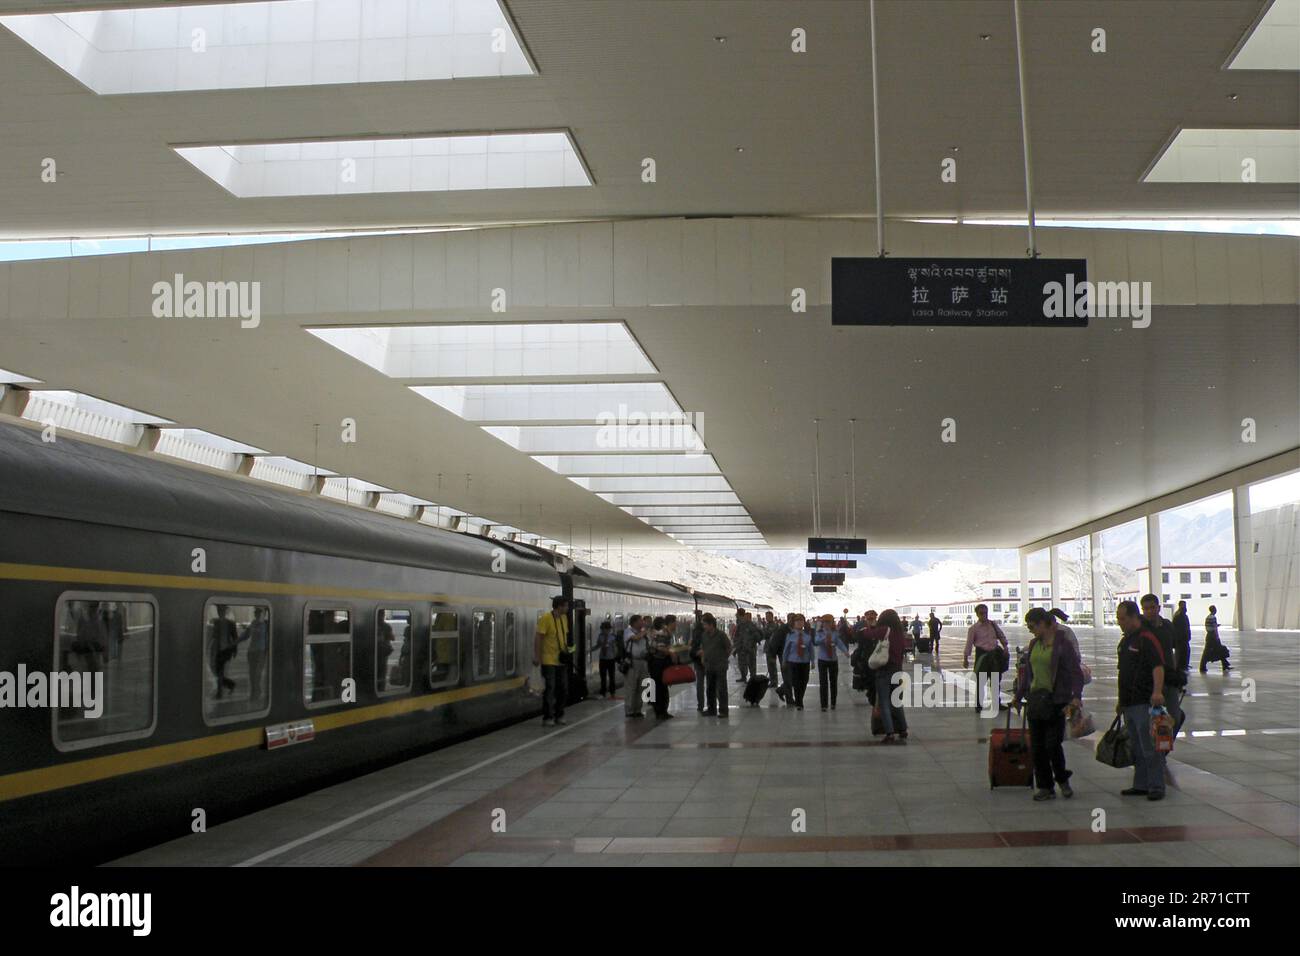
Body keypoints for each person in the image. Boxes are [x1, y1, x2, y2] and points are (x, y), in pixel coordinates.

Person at [1018, 608, 1085, 801]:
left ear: (1043, 624)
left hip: (1057, 701)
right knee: (1038, 747)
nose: (1030, 630)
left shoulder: (1062, 645)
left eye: (1032, 626)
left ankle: (1062, 779)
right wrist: (1020, 694)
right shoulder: (1033, 644)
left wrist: (1076, 696)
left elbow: (1075, 673)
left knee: (1052, 745)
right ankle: (1045, 787)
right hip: (1036, 701)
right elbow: (1029, 673)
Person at [1115, 600, 1168, 801]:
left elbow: (1158, 667)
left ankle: (1156, 785)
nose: (1119, 622)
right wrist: (1121, 701)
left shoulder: (1146, 639)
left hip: (1144, 701)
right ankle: (1141, 784)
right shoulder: (1126, 641)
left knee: (1150, 746)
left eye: (1122, 618)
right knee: (1136, 747)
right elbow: (1123, 673)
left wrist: (1157, 692)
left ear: (1133, 617)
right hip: (1129, 703)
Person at [1140, 594, 1184, 743]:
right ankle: (1156, 756)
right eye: (1146, 609)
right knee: (1154, 721)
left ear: (1158, 608)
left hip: (1169, 678)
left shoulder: (1167, 626)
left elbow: (1176, 648)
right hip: (1149, 680)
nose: (1149, 612)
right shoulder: (1141, 629)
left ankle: (1162, 750)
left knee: (1174, 718)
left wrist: (1177, 669)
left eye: (1152, 607)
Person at [962, 604, 1009, 712]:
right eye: (981, 613)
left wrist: (1005, 646)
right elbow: (969, 643)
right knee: (981, 681)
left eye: (985, 613)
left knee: (995, 681)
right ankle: (978, 705)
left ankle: (997, 703)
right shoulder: (973, 629)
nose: (984, 615)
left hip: (994, 655)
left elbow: (1001, 635)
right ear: (977, 614)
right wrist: (965, 658)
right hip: (982, 655)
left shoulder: (993, 624)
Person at [533, 595, 572, 727]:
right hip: (548, 660)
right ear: (559, 606)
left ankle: (559, 714)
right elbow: (539, 638)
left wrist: (568, 652)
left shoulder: (564, 618)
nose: (567, 608)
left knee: (563, 688)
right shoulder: (545, 619)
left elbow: (563, 636)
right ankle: (548, 716)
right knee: (550, 689)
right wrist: (537, 656)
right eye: (566, 606)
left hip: (561, 660)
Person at [875, 610, 909, 744]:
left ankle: (889, 733)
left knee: (884, 702)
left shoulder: (884, 631)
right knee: (896, 702)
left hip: (884, 670)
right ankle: (903, 729)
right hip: (897, 671)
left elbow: (866, 634)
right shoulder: (900, 634)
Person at [699, 613, 732, 717]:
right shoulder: (704, 635)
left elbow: (729, 648)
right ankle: (711, 709)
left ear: (711, 624)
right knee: (710, 689)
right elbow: (703, 648)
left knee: (721, 689)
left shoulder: (721, 635)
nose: (703, 627)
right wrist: (703, 658)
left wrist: (723, 658)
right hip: (709, 666)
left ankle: (723, 710)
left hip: (720, 666)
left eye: (705, 624)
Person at [814, 614, 849, 711]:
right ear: (823, 623)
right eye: (825, 622)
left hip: (833, 660)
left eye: (829, 622)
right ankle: (824, 705)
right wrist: (823, 639)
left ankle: (833, 703)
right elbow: (816, 641)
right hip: (822, 660)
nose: (827, 624)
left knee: (833, 682)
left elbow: (839, 643)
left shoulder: (835, 633)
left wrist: (845, 651)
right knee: (823, 682)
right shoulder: (820, 632)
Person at [782, 614, 814, 709]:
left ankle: (799, 698)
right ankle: (799, 702)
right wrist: (784, 661)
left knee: (804, 681)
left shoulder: (807, 636)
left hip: (805, 662)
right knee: (796, 683)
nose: (800, 623)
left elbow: (811, 649)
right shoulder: (790, 636)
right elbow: (786, 650)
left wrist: (813, 661)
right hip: (793, 661)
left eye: (801, 621)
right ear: (794, 623)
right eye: (797, 621)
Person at [209, 604, 239, 699]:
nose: (219, 612)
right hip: (218, 650)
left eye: (221, 610)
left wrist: (235, 650)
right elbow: (213, 636)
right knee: (216, 672)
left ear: (224, 612)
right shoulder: (216, 622)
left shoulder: (230, 623)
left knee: (219, 672)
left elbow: (235, 637)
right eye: (218, 610)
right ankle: (230, 685)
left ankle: (219, 693)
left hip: (225, 651)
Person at [622, 620, 651, 719]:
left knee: (642, 686)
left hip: (643, 662)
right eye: (640, 621)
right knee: (631, 686)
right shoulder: (628, 631)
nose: (643, 622)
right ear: (634, 622)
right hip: (632, 662)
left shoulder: (643, 632)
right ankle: (629, 710)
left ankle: (638, 709)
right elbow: (635, 638)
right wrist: (645, 631)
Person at [648, 616, 675, 719]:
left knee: (656, 687)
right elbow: (660, 647)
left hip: (654, 663)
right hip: (660, 662)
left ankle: (658, 710)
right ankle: (662, 711)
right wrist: (671, 653)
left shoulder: (653, 633)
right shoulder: (662, 633)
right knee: (662, 687)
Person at [241, 606, 269, 701]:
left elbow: (267, 638)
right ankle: (254, 692)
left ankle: (256, 692)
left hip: (260, 652)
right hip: (252, 652)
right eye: (255, 613)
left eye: (258, 612)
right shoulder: (253, 623)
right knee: (252, 674)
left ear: (263, 614)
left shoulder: (266, 624)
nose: (256, 614)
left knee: (257, 674)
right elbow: (246, 635)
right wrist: (234, 643)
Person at [766, 613, 792, 701]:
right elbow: (775, 642)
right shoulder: (782, 629)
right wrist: (773, 655)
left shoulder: (795, 629)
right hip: (783, 656)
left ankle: (781, 690)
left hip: (793, 656)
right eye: (791, 619)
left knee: (792, 677)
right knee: (787, 677)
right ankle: (789, 699)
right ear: (788, 619)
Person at [1200, 605, 1231, 673]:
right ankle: (1202, 667)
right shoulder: (1213, 617)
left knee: (1217, 650)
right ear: (1214, 610)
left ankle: (1225, 665)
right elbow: (1213, 628)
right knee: (1217, 650)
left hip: (1209, 636)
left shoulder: (1208, 617)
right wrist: (1216, 636)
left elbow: (1209, 626)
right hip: (1213, 637)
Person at [595, 620, 619, 698]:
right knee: (603, 676)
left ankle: (612, 692)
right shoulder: (600, 636)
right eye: (602, 629)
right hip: (602, 658)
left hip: (610, 659)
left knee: (612, 676)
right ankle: (603, 692)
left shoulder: (613, 637)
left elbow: (615, 648)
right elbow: (598, 645)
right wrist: (590, 650)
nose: (603, 630)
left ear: (608, 629)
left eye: (605, 629)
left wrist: (615, 655)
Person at [734, 611, 759, 684]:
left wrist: (752, 643)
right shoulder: (741, 626)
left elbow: (758, 636)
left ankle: (753, 678)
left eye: (747, 617)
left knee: (752, 664)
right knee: (742, 664)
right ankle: (743, 677)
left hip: (751, 648)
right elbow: (736, 635)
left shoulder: (753, 626)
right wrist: (737, 644)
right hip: (742, 648)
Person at [690, 611, 707, 712]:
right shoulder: (709, 632)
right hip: (707, 660)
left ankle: (700, 705)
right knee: (711, 683)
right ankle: (712, 704)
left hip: (698, 661)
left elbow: (692, 645)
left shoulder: (695, 630)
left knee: (700, 684)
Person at [1171, 601, 1192, 679]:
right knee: (1180, 653)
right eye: (1183, 605)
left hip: (1184, 638)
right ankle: (1180, 667)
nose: (1185, 607)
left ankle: (1184, 666)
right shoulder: (1178, 615)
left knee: (1185, 652)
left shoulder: (1183, 615)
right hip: (1180, 639)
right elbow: (1175, 628)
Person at [376, 609, 395, 691]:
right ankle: (380, 688)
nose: (382, 617)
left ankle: (380, 688)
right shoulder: (386, 626)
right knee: (381, 672)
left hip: (382, 653)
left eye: (382, 615)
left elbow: (392, 638)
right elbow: (393, 638)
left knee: (381, 673)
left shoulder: (386, 626)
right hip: (381, 653)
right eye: (381, 615)